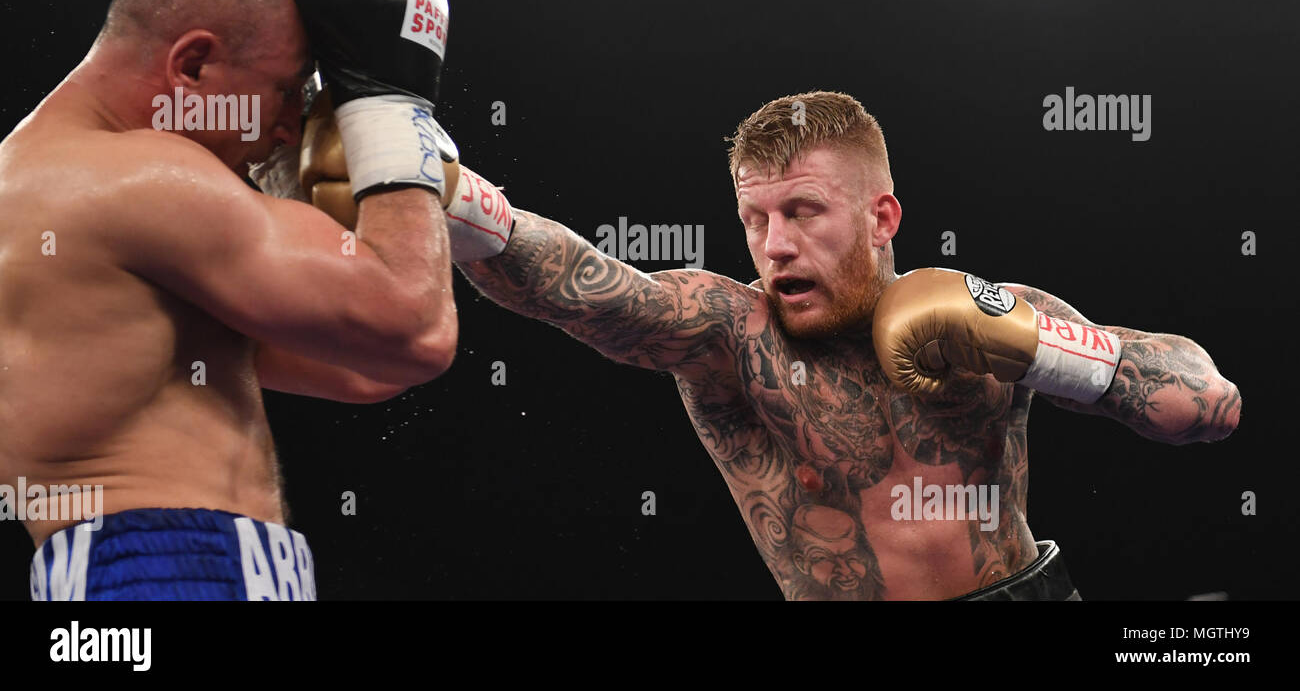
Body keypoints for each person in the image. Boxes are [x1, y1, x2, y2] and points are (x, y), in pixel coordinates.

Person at [304, 84, 1242, 599]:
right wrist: (440, 189)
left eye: (803, 210)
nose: (775, 243)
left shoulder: (991, 315)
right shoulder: (730, 333)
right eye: (755, 219)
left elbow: (1207, 404)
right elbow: (585, 288)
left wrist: (1040, 346)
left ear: (882, 215)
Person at [1, 0, 459, 600]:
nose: (286, 130)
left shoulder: (49, 182)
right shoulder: (144, 180)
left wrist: (296, 190)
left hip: (111, 581)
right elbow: (414, 327)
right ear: (193, 67)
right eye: (285, 91)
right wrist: (391, 116)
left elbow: (366, 362)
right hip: (182, 570)